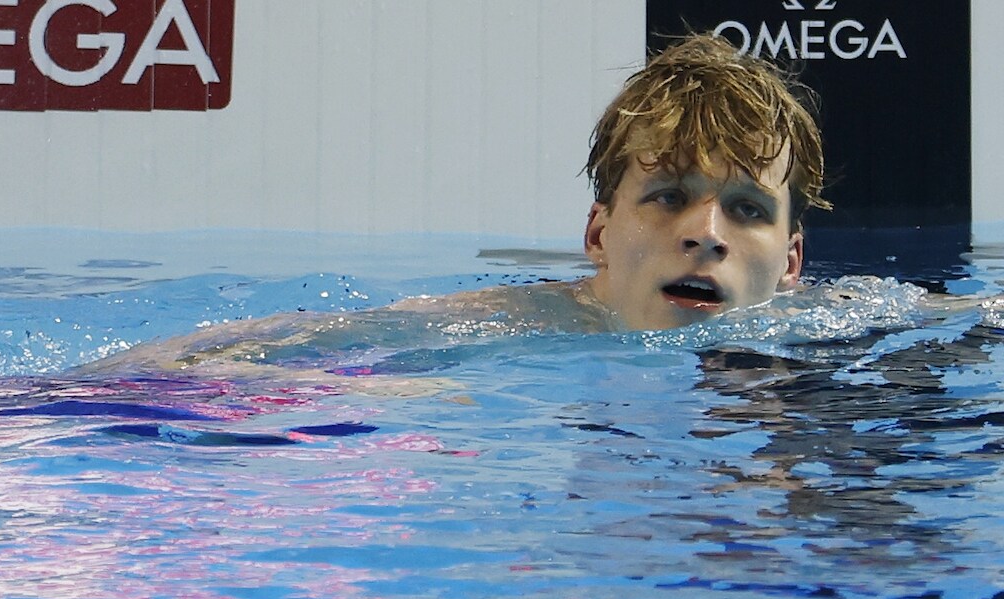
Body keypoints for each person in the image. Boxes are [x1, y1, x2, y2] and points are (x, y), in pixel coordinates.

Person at [83, 34, 830, 376]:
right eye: (668, 197)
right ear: (598, 235)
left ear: (792, 261)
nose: (705, 235)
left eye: (748, 209)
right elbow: (291, 340)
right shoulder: (514, 324)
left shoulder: (849, 324)